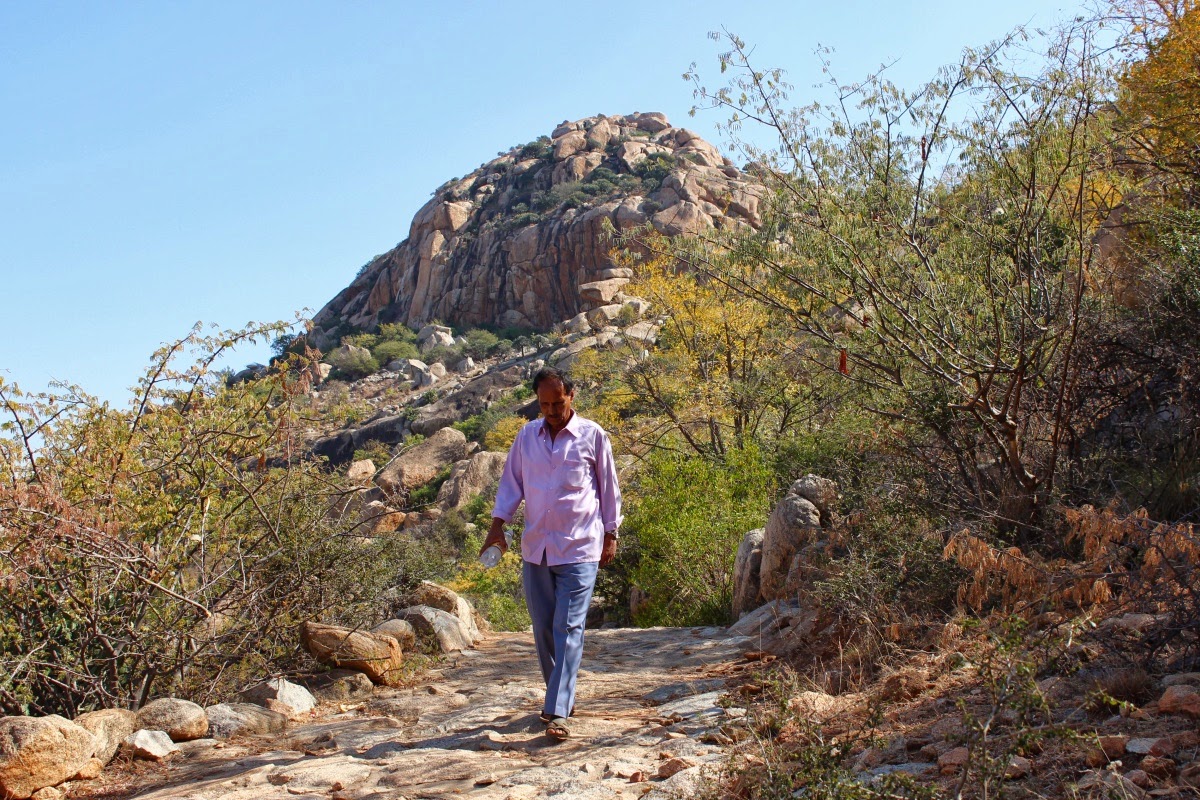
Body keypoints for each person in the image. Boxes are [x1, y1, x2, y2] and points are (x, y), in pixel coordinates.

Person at [481, 366, 622, 740]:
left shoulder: (593, 436)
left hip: (580, 546)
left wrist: (611, 533)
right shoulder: (527, 437)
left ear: (571, 396)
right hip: (537, 548)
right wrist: (498, 526)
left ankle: (557, 709)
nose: (552, 411)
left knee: (568, 626)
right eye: (544, 405)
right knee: (543, 629)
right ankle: (560, 694)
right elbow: (511, 484)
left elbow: (609, 488)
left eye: (557, 403)